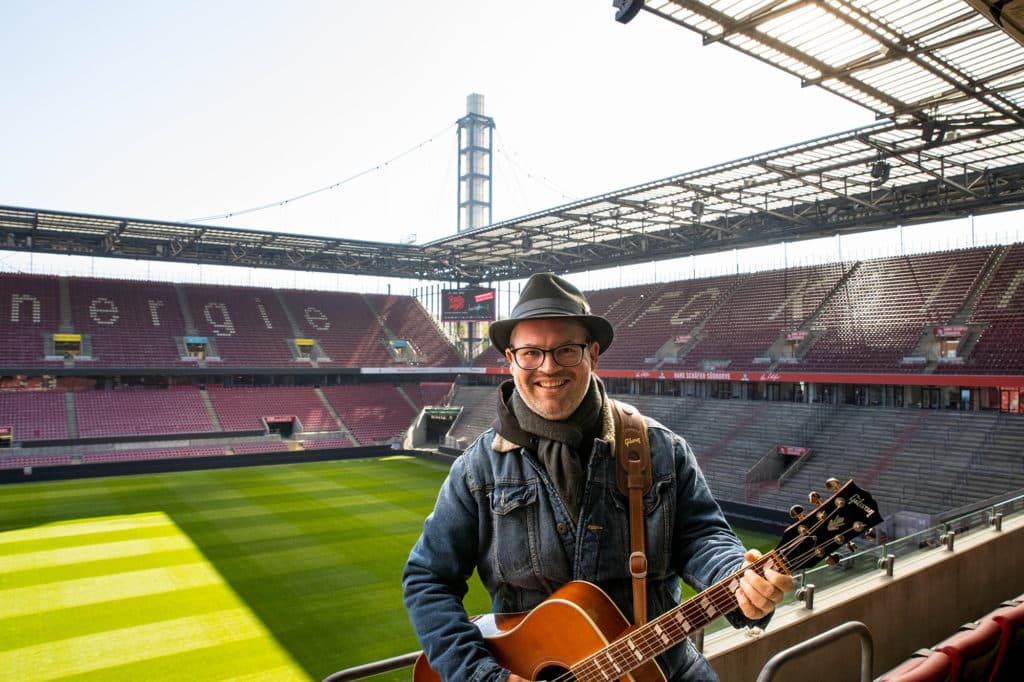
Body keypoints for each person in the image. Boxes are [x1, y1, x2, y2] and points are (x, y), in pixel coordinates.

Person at [403, 272, 794, 682]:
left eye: (566, 350)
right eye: (531, 353)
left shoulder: (660, 449)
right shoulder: (477, 470)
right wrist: (480, 676)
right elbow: (427, 579)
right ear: (511, 360)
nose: (548, 367)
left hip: (662, 671)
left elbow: (702, 536)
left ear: (593, 354)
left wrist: (736, 577)